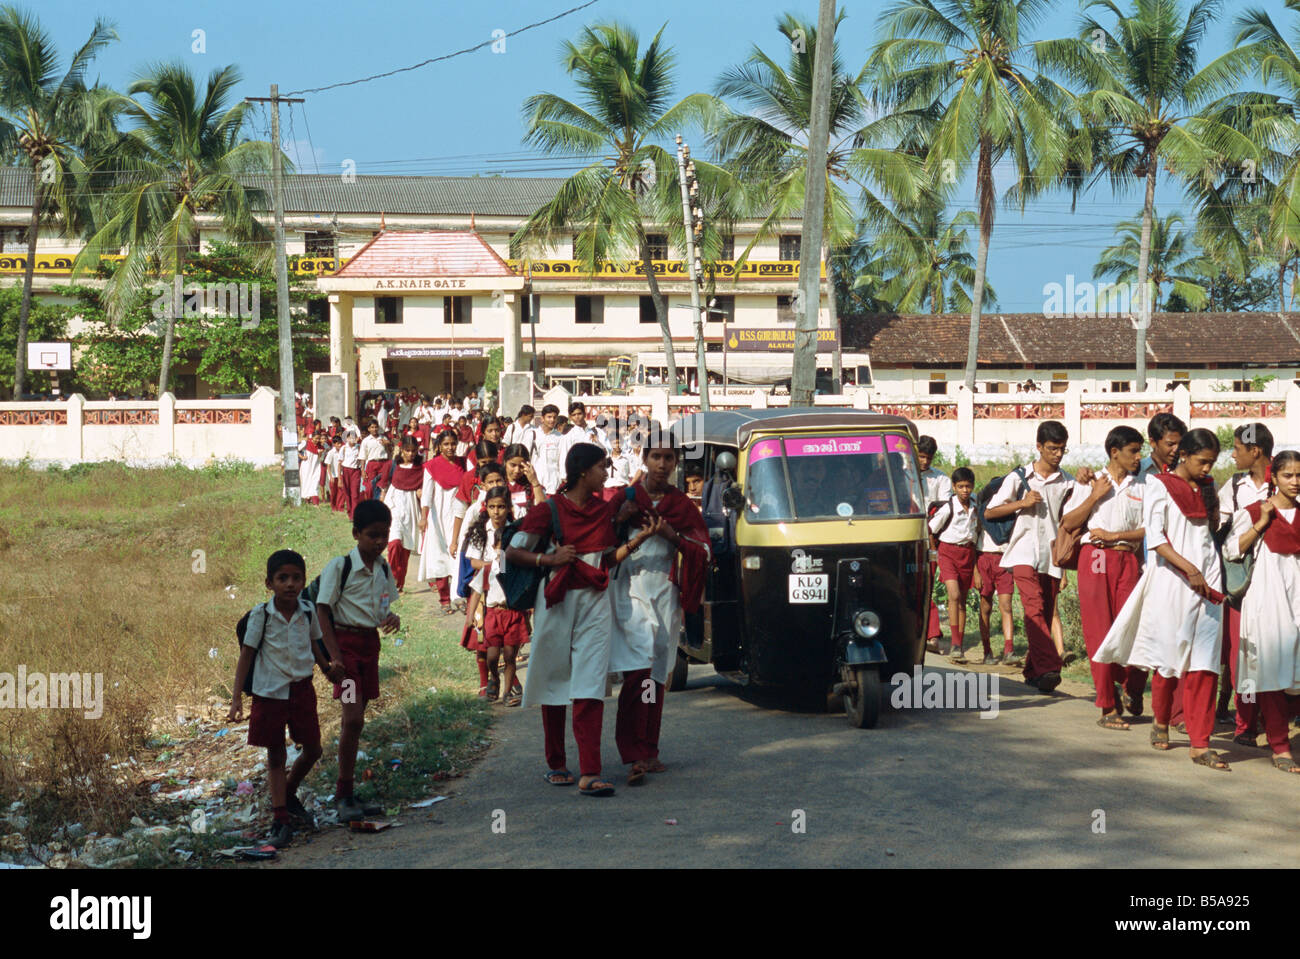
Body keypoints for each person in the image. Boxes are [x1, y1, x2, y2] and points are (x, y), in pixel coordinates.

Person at [504, 443, 644, 796]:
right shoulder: (549, 510)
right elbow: (513, 551)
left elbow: (607, 558)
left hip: (596, 601)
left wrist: (638, 538)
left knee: (590, 681)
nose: (606, 473)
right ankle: (556, 762)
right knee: (554, 677)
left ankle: (590, 770)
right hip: (557, 600)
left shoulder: (603, 511)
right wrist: (547, 561)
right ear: (583, 472)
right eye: (601, 467)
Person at [1095, 429, 1228, 771]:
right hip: (1173, 581)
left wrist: (1204, 575)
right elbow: (1156, 539)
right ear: (1183, 454)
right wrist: (1190, 570)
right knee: (1169, 657)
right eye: (1202, 461)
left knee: (1205, 663)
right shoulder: (1159, 485)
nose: (1207, 467)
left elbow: (1209, 533)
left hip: (1209, 583)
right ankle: (1161, 720)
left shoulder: (1208, 486)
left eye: (1212, 462)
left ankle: (1200, 743)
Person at [227, 550, 345, 848]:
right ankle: (280, 818)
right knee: (276, 755)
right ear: (269, 583)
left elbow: (314, 645)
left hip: (302, 689)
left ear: (304, 581)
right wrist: (237, 698)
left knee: (314, 748)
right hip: (270, 694)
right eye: (282, 579)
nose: (290, 584)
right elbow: (247, 655)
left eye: (296, 578)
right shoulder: (261, 616)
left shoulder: (307, 611)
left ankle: (288, 792)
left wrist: (327, 668)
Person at [610, 438, 710, 784]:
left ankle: (649, 749)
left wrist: (673, 536)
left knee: (656, 674)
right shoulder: (626, 499)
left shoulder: (680, 505)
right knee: (637, 673)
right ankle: (633, 751)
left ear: (676, 463)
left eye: (669, 458)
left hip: (665, 593)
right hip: (630, 591)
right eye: (656, 457)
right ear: (645, 458)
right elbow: (599, 541)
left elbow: (702, 550)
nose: (663, 464)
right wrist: (619, 522)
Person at [313, 500, 403, 819]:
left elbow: (381, 608)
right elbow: (322, 610)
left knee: (357, 718)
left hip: (368, 647)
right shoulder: (340, 566)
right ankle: (342, 794)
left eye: (384, 535)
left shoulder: (382, 568)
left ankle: (347, 792)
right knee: (352, 718)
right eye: (372, 535)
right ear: (356, 534)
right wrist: (334, 657)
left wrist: (391, 617)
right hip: (346, 649)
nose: (379, 542)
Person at [1061, 425, 1146, 730]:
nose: (1138, 457)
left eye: (1140, 450)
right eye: (1133, 451)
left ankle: (1132, 686)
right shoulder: (1090, 482)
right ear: (1115, 452)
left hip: (1128, 559)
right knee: (1099, 632)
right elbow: (1069, 522)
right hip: (1095, 558)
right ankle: (1107, 706)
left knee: (1132, 628)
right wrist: (1094, 496)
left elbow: (1149, 529)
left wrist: (1118, 535)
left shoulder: (1141, 487)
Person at [983, 421, 1078, 693]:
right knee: (1033, 607)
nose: (1057, 454)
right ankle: (1050, 665)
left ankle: (1033, 670)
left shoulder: (1068, 482)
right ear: (1039, 447)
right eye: (1052, 449)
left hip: (1052, 554)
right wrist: (1021, 504)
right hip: (1023, 551)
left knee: (1046, 611)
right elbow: (990, 512)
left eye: (1062, 449)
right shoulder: (1019, 478)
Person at [1223, 449, 1300, 772]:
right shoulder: (1255, 511)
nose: (1295, 482)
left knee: (1293, 670)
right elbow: (1230, 549)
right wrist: (1262, 523)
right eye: (1288, 475)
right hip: (1266, 597)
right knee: (1270, 670)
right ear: (1274, 477)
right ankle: (1280, 746)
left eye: (1299, 476)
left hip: (1296, 594)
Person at [1217, 422, 1274, 743]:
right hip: (1245, 585)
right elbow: (1223, 531)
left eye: (1237, 448)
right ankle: (1246, 721)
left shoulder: (1285, 481)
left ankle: (1273, 717)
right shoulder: (1235, 486)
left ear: (1255, 451)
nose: (1233, 454)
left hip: (1281, 583)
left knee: (1277, 653)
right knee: (1246, 659)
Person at [465, 487, 527, 706]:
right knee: (491, 654)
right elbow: (475, 571)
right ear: (486, 507)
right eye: (492, 506)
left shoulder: (516, 531)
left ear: (508, 508)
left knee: (510, 655)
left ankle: (509, 692)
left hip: (512, 609)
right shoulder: (481, 531)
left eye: (501, 506)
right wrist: (471, 614)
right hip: (490, 608)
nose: (497, 511)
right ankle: (492, 677)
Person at [929, 467, 979, 663]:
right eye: (960, 487)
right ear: (954, 487)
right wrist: (935, 553)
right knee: (954, 594)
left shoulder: (976, 506)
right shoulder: (948, 508)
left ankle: (958, 643)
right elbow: (931, 529)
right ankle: (955, 644)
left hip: (968, 553)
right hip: (948, 552)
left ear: (973, 487)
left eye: (968, 486)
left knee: (963, 599)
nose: (965, 490)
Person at [417, 429, 467, 614]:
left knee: (459, 556)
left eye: (453, 444)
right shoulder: (432, 466)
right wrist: (424, 517)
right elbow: (427, 494)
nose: (450, 448)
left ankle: (459, 596)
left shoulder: (463, 463)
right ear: (439, 446)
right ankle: (444, 598)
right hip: (438, 516)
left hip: (459, 515)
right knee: (439, 558)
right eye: (446, 444)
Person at [916, 435, 952, 653]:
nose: (924, 462)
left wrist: (930, 528)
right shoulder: (903, 474)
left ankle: (932, 633)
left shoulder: (941, 479)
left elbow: (945, 508)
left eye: (928, 458)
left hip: (930, 535)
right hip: (906, 533)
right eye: (921, 456)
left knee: (927, 584)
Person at [973, 502, 1017, 666]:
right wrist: (976, 570)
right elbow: (973, 540)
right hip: (984, 558)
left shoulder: (1011, 515)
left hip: (1004, 560)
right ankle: (987, 650)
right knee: (986, 605)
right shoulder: (983, 514)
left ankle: (1009, 649)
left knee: (1006, 605)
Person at [382, 437, 423, 592]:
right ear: (402, 450)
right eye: (407, 450)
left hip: (412, 508)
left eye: (413, 451)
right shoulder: (394, 465)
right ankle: (390, 579)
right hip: (395, 506)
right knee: (394, 544)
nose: (410, 454)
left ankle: (399, 583)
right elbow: (385, 483)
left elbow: (425, 488)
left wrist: (421, 493)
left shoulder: (420, 469)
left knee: (405, 550)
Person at [1138, 412, 1186, 480]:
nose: (1176, 449)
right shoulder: (1138, 471)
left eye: (1180, 444)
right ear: (1153, 442)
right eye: (1170, 444)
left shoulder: (1185, 474)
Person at [532, 404, 566, 495]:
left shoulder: (560, 438)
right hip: (535, 482)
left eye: (554, 417)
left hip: (553, 483)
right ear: (542, 418)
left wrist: (563, 478)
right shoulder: (532, 434)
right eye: (549, 417)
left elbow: (562, 460)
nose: (552, 420)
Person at [502, 442, 544, 514]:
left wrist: (535, 482)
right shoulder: (497, 482)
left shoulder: (532, 486)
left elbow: (543, 509)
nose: (517, 470)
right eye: (513, 465)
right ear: (505, 462)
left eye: (521, 466)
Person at [359, 420, 388, 500]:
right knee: (370, 487)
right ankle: (370, 504)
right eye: (372, 427)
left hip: (383, 463)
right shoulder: (366, 441)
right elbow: (363, 456)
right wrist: (362, 470)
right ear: (369, 429)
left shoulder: (383, 438)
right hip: (372, 464)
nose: (374, 429)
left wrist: (387, 444)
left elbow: (390, 451)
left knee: (382, 486)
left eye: (376, 427)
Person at [340, 430, 362, 520]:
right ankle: (349, 512)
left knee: (355, 493)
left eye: (354, 437)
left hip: (356, 471)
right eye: (350, 438)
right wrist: (340, 476)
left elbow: (362, 459)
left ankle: (354, 514)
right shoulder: (344, 448)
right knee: (347, 492)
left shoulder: (359, 447)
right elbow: (340, 462)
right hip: (346, 470)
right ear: (347, 438)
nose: (352, 439)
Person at [299, 433, 323, 506]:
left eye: (319, 439)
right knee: (306, 482)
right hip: (306, 466)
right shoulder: (306, 443)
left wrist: (320, 453)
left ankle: (315, 502)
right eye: (316, 438)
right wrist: (302, 457)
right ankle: (306, 500)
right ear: (312, 437)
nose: (317, 440)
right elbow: (296, 449)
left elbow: (320, 458)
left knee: (315, 482)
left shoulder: (320, 446)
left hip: (316, 466)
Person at [324, 435, 346, 513]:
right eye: (338, 443)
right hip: (333, 475)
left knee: (342, 491)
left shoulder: (343, 452)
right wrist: (330, 476)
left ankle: (340, 507)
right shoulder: (331, 453)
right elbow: (328, 465)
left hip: (341, 474)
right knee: (334, 492)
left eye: (340, 443)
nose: (340, 445)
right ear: (334, 444)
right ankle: (333, 506)